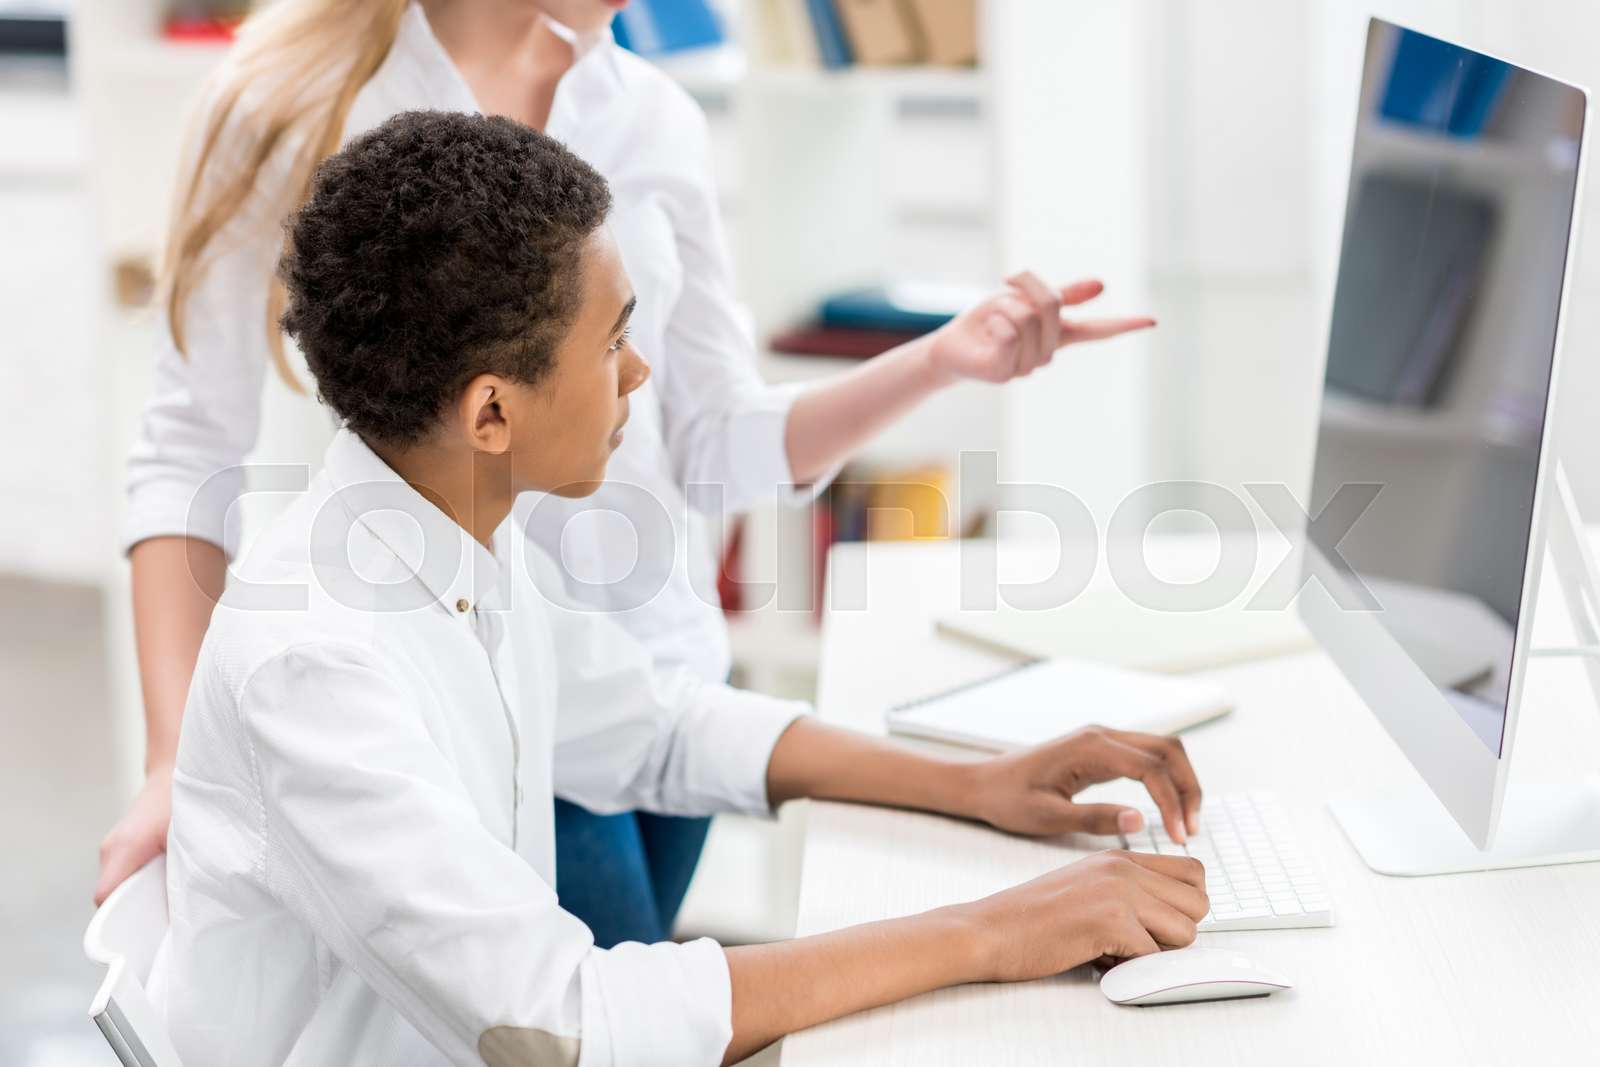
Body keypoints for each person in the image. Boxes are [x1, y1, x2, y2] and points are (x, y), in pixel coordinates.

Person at [152, 109, 1205, 1067]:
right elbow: (558, 1019)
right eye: (611, 341)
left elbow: (654, 726)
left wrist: (970, 782)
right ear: (489, 414)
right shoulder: (317, 660)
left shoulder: (454, 526)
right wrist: (995, 930)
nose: (639, 374)